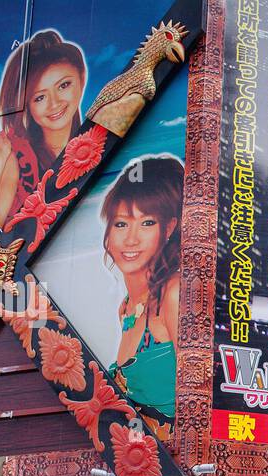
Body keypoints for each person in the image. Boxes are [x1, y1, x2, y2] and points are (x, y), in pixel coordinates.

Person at [103, 155, 183, 440]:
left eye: (147, 223)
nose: (131, 239)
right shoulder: (126, 308)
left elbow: (203, 394)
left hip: (186, 468)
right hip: (141, 465)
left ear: (169, 228)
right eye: (121, 224)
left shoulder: (173, 295)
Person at [0, 29, 88, 225]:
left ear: (82, 79)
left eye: (63, 85)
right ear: (27, 106)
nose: (54, 103)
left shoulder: (95, 140)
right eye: (39, 97)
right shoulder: (19, 156)